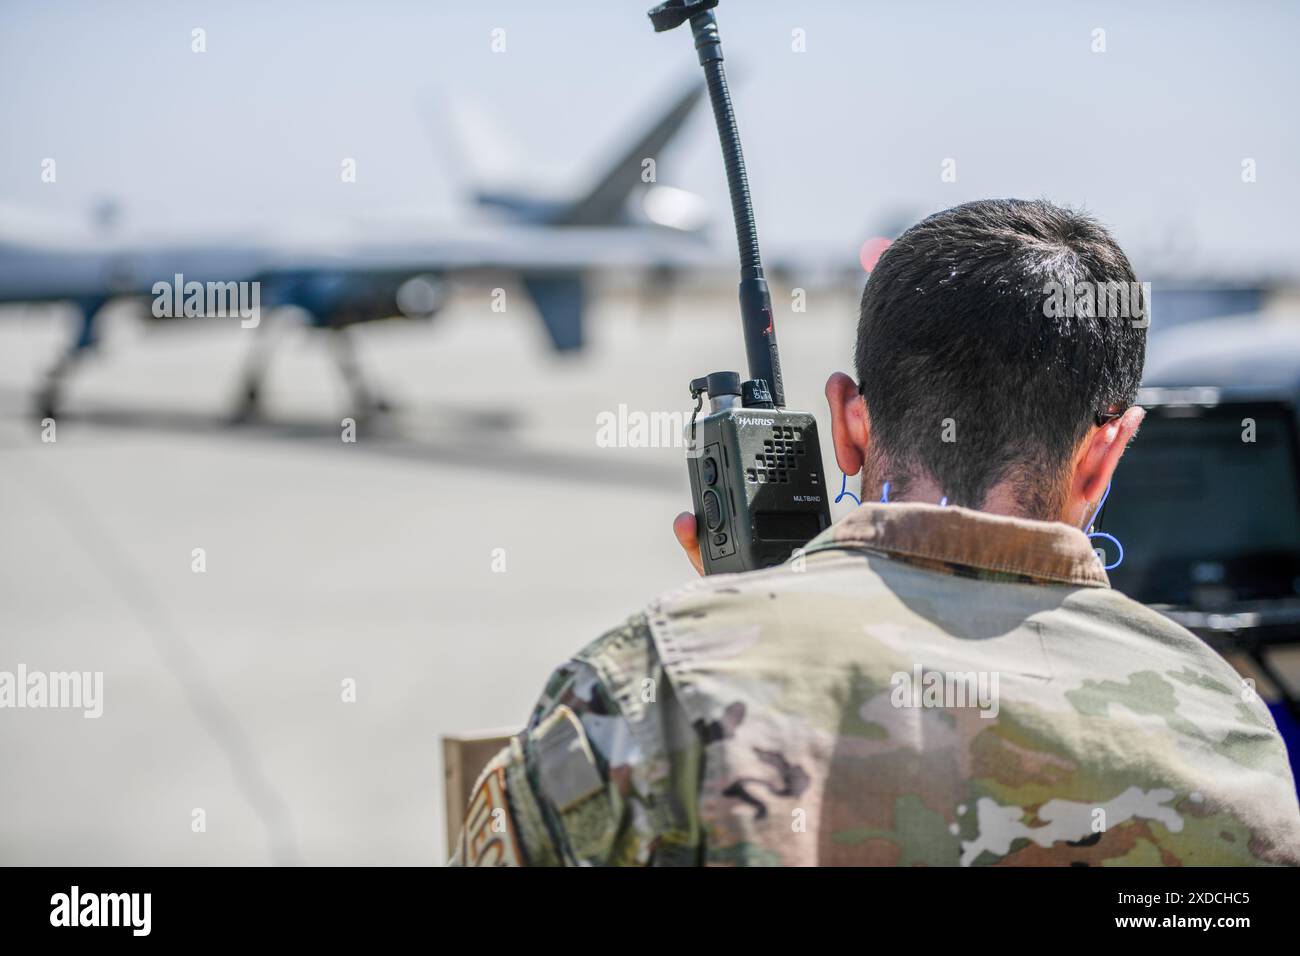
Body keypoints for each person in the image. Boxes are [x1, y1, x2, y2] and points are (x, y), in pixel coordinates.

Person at [450, 199, 1300, 866]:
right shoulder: (1226, 733)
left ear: (849, 427)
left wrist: (742, 644)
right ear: (1103, 459)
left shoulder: (657, 691)